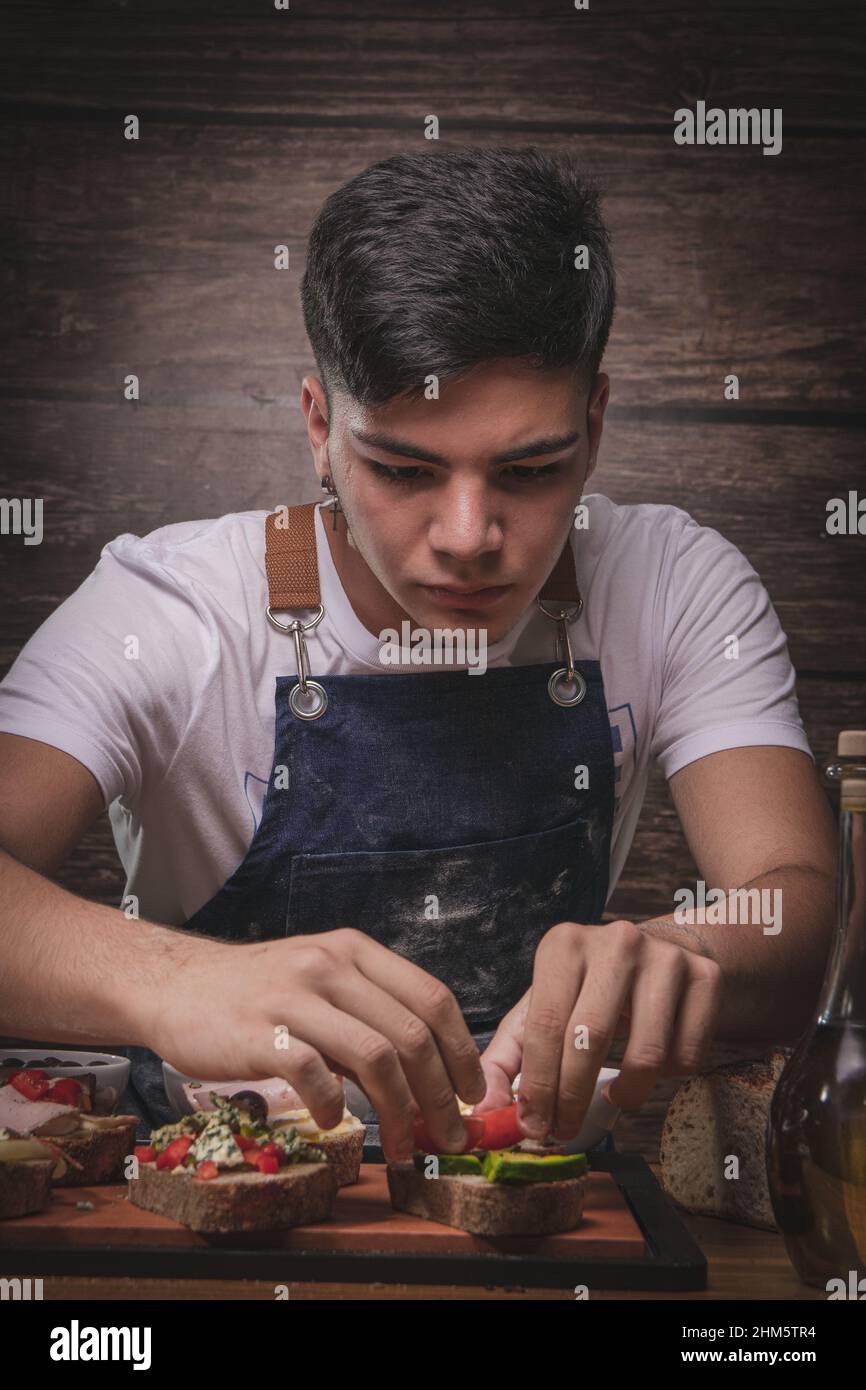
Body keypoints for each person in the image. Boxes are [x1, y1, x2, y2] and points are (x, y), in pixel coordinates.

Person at [0, 147, 835, 1161]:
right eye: (403, 467)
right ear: (319, 426)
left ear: (597, 422)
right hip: (234, 1188)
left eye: (531, 469)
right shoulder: (168, 608)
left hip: (539, 1182)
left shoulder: (675, 583)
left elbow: (791, 895)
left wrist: (689, 949)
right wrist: (179, 980)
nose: (468, 535)